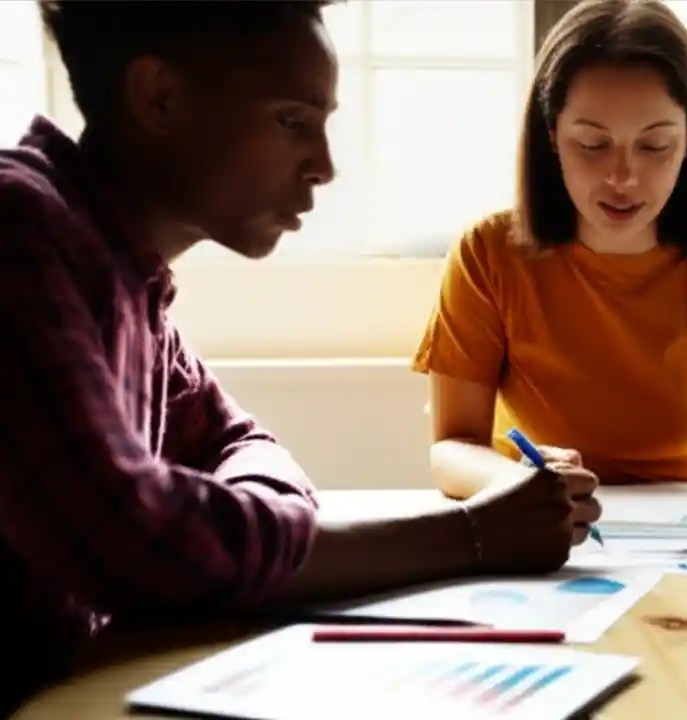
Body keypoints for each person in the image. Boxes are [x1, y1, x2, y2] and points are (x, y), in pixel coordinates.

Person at [1, 1, 590, 710]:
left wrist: (246, 517)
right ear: (158, 96)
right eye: (292, 122)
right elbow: (137, 541)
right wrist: (471, 534)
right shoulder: (20, 232)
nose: (325, 166)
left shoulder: (125, 275)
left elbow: (238, 440)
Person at [417, 0, 687, 505]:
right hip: (533, 515)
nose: (622, 177)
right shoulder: (487, 253)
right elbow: (453, 446)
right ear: (551, 136)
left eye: (654, 147)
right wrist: (519, 483)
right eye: (591, 144)